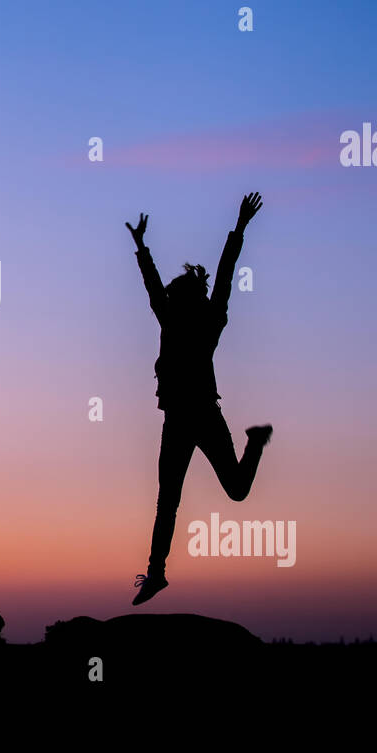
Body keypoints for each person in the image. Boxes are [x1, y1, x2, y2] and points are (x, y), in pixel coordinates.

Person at [126, 193, 273, 605]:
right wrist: (141, 248)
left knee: (237, 491)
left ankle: (256, 444)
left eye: (175, 295)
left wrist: (239, 229)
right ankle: (156, 573)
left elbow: (225, 276)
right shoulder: (171, 318)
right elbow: (153, 288)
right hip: (176, 420)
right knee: (166, 500)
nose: (167, 298)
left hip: (205, 417)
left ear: (186, 298)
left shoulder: (206, 321)